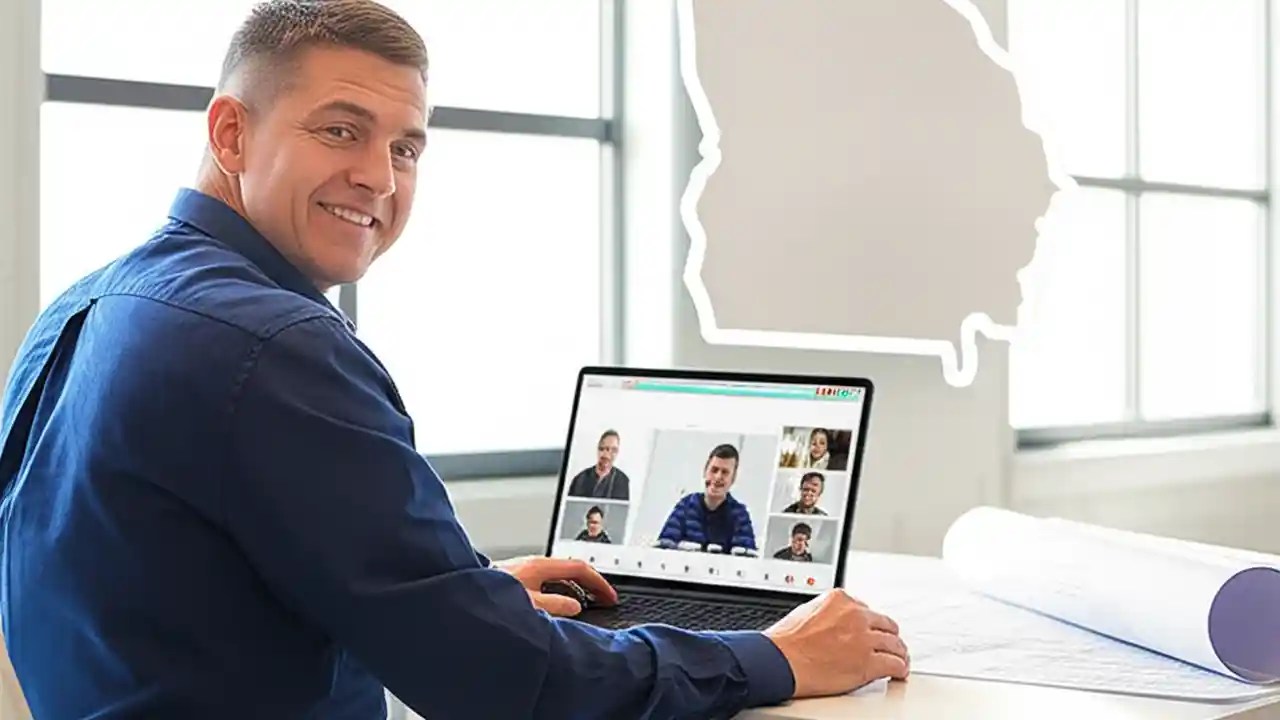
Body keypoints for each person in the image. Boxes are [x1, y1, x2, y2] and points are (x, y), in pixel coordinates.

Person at [0, 2, 909, 718]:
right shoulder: (276, 348)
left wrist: (458, 593)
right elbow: (507, 688)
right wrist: (774, 658)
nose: (381, 179)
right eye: (340, 130)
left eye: (406, 147)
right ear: (231, 133)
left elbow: (195, 589)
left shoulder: (82, 307)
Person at [657, 444, 759, 554]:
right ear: (705, 472)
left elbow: (746, 558)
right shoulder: (685, 506)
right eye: (714, 470)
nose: (718, 477)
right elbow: (664, 547)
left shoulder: (740, 515)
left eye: (725, 472)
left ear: (733, 479)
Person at [566, 428, 631, 500]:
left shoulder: (622, 481)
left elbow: (621, 509)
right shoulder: (580, 479)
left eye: (614, 450)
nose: (608, 454)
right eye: (605, 449)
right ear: (599, 449)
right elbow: (571, 508)